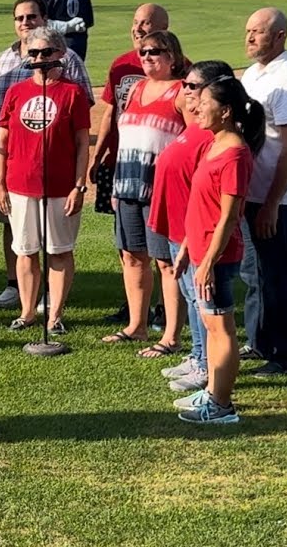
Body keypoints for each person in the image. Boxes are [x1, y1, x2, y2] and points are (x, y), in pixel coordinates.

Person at [0, 0, 93, 309]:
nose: (39, 57)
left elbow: (82, 138)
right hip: (19, 178)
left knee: (57, 249)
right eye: (34, 53)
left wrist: (79, 184)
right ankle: (23, 302)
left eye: (46, 52)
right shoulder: (8, 74)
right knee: (21, 245)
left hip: (58, 180)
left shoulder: (72, 84)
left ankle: (53, 310)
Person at [174, 76, 264, 424]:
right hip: (201, 251)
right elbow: (202, 204)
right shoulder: (213, 144)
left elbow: (229, 217)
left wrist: (208, 262)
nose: (196, 107)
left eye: (205, 102)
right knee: (212, 326)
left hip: (218, 257)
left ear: (225, 111)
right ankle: (212, 391)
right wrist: (186, 248)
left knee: (220, 328)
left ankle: (222, 406)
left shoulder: (236, 155)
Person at [104, 31, 192, 348]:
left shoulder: (182, 92)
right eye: (143, 52)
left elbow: (196, 140)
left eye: (155, 51)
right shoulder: (136, 87)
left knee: (166, 262)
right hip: (127, 183)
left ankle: (171, 335)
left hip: (163, 190)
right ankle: (136, 326)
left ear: (173, 56)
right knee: (132, 256)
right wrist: (115, 185)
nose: (147, 56)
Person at [153, 61, 236, 393]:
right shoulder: (198, 127)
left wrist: (195, 244)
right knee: (192, 297)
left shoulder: (217, 139)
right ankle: (198, 354)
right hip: (184, 230)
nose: (185, 91)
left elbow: (222, 207)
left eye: (192, 86)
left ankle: (206, 368)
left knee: (208, 309)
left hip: (199, 234)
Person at [93, 4, 178, 328]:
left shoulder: (183, 80)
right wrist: (100, 153)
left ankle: (166, 319)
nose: (139, 29)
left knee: (164, 256)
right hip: (125, 174)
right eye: (135, 23)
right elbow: (112, 114)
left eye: (146, 24)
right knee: (130, 249)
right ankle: (135, 318)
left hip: (159, 183)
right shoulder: (124, 71)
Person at [239, 7, 287, 378]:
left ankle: (285, 356)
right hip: (253, 194)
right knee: (254, 273)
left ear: (280, 36)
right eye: (248, 30)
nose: (250, 37)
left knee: (277, 275)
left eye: (259, 32)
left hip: (276, 199)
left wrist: (271, 204)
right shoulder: (255, 74)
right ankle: (259, 342)